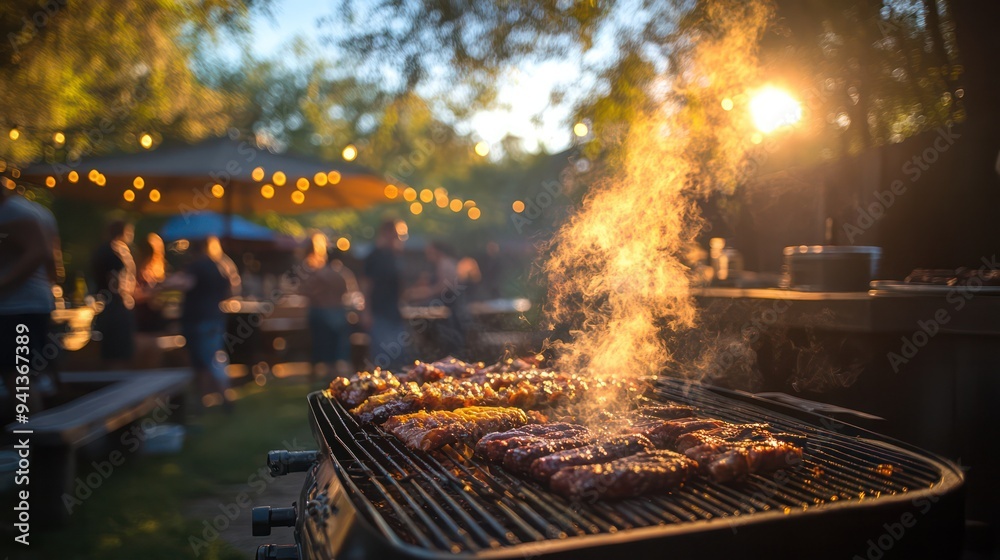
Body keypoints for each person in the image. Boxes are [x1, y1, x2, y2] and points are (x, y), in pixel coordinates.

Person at [0, 188, 62, 426]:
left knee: (17, 377)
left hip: (15, 309)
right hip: (33, 304)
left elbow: (38, 252)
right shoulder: (38, 211)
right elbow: (53, 267)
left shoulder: (12, 213)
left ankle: (32, 446)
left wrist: (3, 283)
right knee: (28, 375)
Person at [164, 236, 237, 411]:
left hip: (197, 321)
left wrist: (158, 285)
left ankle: (222, 400)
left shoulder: (197, 266)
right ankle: (206, 401)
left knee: (204, 362)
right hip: (215, 318)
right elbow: (231, 291)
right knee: (210, 360)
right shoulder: (220, 266)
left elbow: (184, 283)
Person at [301, 233, 361, 379]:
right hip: (336, 313)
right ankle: (335, 378)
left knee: (321, 346)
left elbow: (306, 291)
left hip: (321, 313)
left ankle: (324, 377)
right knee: (337, 351)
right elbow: (349, 293)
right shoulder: (341, 274)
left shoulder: (315, 273)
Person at [405, 240, 469, 357]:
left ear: (437, 251)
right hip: (448, 309)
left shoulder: (444, 263)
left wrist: (421, 293)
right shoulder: (445, 262)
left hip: (448, 310)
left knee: (447, 341)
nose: (427, 254)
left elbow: (442, 288)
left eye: (430, 251)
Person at [362, 220, 411, 369]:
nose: (401, 238)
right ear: (387, 233)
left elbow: (400, 286)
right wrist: (366, 312)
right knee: (382, 357)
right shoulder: (374, 256)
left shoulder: (396, 256)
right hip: (378, 314)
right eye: (398, 234)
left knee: (400, 355)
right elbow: (365, 285)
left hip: (395, 313)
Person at [91, 219, 136, 367]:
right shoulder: (113, 251)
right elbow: (115, 282)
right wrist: (124, 294)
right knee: (118, 352)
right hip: (116, 308)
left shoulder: (103, 250)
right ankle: (119, 381)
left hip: (106, 306)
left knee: (110, 351)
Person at [133, 233, 168, 368]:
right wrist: (151, 293)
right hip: (142, 323)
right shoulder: (136, 271)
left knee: (152, 359)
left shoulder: (153, 271)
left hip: (153, 322)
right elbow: (133, 295)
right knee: (144, 359)